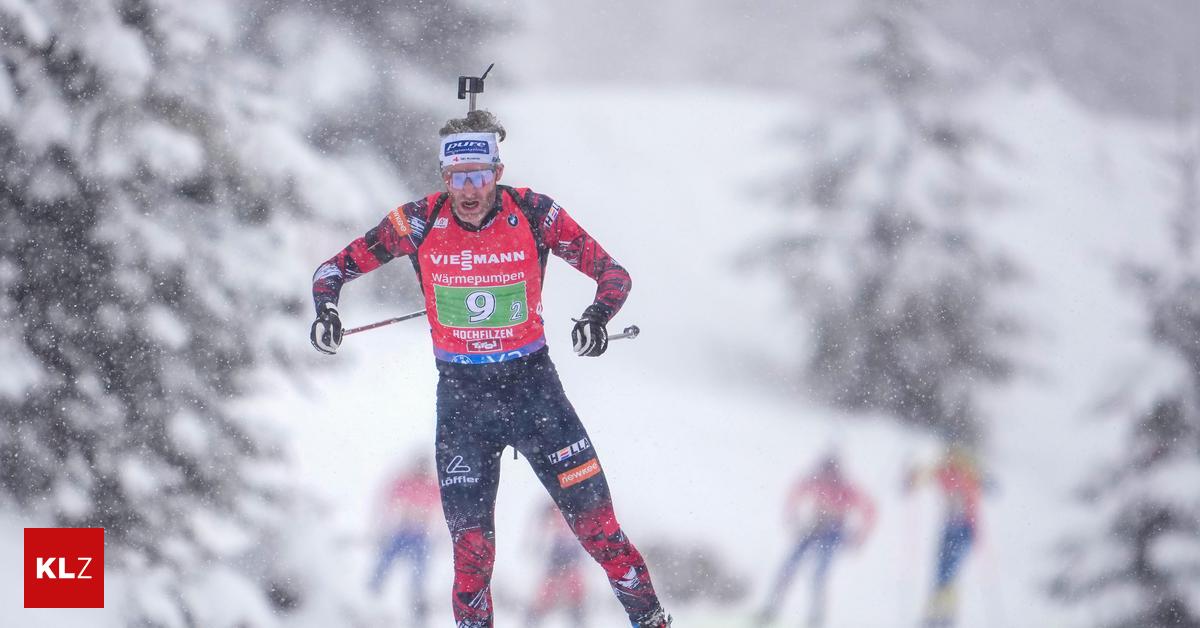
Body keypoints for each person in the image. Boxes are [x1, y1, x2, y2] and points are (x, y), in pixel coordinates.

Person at [309, 109, 671, 628]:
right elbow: (333, 269)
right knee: (472, 556)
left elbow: (613, 274)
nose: (469, 190)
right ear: (444, 177)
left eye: (479, 176)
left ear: (497, 172)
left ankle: (654, 622)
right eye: (457, 178)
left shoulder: (534, 212)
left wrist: (596, 318)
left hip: (535, 395)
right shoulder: (417, 221)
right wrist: (326, 311)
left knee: (600, 531)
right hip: (464, 407)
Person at [757, 454, 876, 627]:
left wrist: (860, 536)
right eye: (824, 471)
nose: (827, 476)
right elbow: (795, 492)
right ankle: (771, 609)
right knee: (789, 568)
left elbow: (869, 509)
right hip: (814, 527)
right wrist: (792, 518)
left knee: (818, 575)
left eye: (830, 472)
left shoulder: (846, 488)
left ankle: (815, 617)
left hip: (832, 532)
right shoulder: (816, 481)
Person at [905, 443, 985, 628]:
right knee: (942, 572)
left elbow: (926, 476)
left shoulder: (962, 473)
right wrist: (914, 476)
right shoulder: (949, 472)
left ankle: (943, 615)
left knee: (947, 573)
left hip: (963, 529)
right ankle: (939, 614)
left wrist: (915, 477)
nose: (951, 461)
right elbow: (924, 476)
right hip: (951, 528)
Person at [368, 454, 441, 625]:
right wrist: (381, 527)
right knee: (384, 566)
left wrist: (439, 535)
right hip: (403, 531)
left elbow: (441, 512)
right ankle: (370, 597)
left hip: (421, 536)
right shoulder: (406, 482)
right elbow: (387, 502)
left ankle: (417, 610)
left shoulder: (431, 486)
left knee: (418, 576)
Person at [524, 502, 589, 627]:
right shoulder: (553, 508)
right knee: (548, 592)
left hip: (570, 555)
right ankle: (532, 620)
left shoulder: (576, 507)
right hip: (557, 555)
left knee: (575, 590)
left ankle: (578, 620)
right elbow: (538, 530)